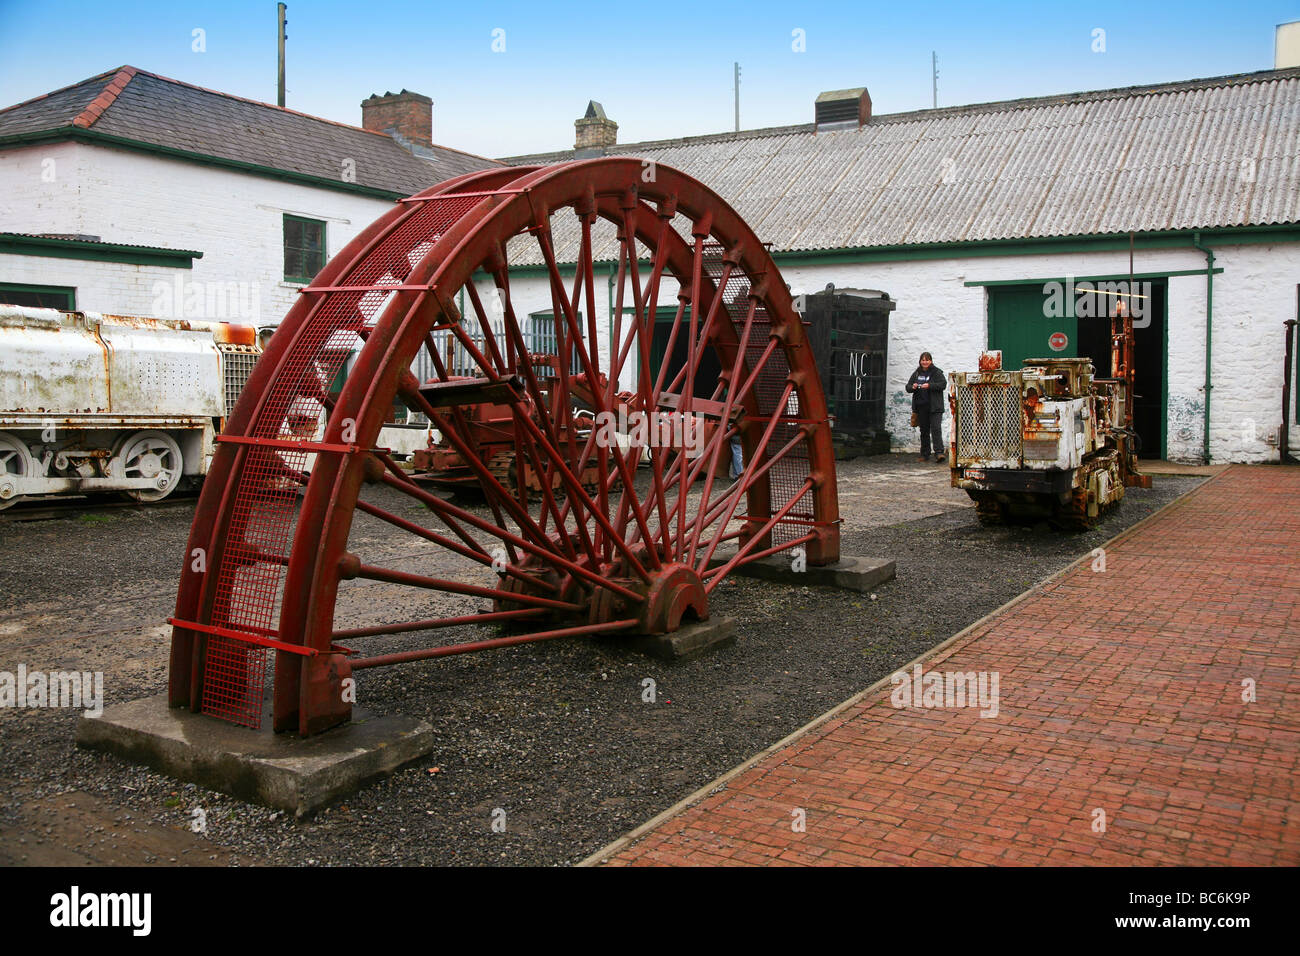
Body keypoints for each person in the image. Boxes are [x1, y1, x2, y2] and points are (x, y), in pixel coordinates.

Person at [905, 351, 947, 463]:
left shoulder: (936, 372)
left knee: (936, 429)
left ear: (931, 361)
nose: (925, 362)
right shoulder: (916, 373)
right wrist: (912, 386)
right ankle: (925, 454)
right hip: (921, 406)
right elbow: (908, 387)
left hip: (935, 407)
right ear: (920, 361)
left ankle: (939, 453)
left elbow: (943, 384)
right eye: (923, 360)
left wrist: (930, 385)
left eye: (927, 360)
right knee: (924, 431)